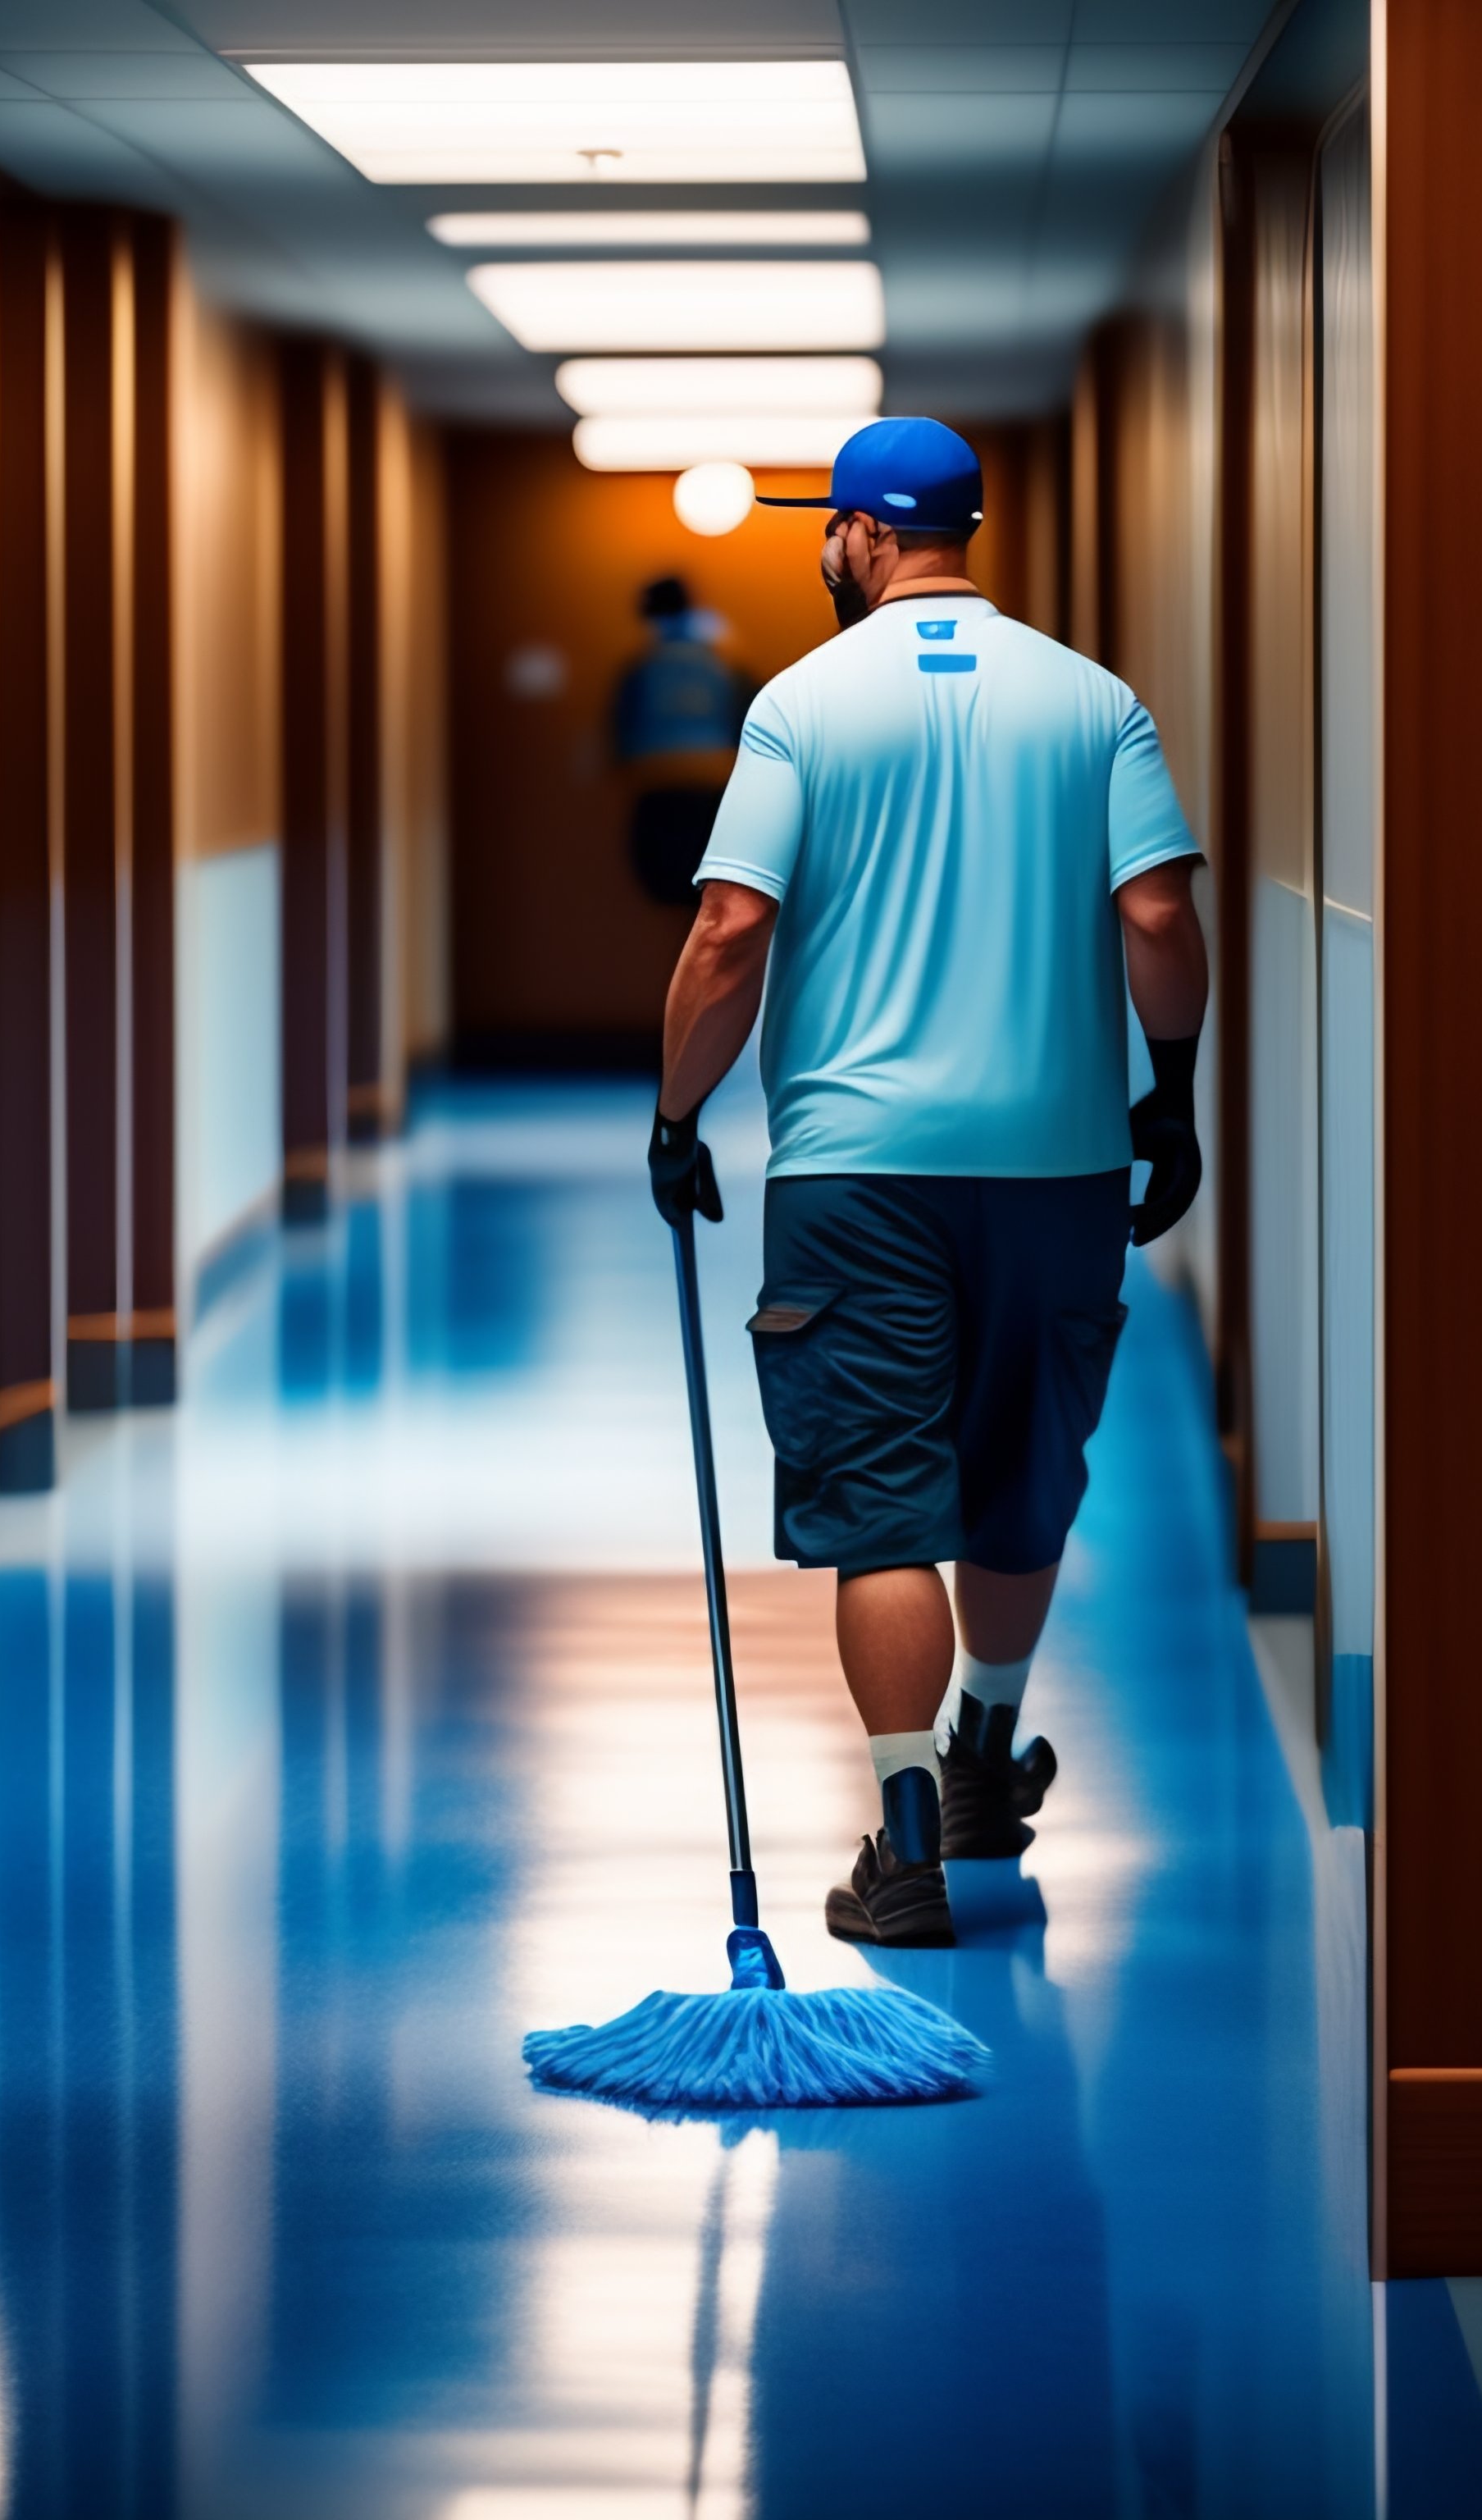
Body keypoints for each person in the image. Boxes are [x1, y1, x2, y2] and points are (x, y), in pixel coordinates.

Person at [647, 416, 1208, 1949]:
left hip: (855, 1175)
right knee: (1022, 1472)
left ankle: (905, 1850)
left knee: (882, 1505)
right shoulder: (1092, 701)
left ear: (864, 535)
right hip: (1058, 1160)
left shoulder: (800, 706)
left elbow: (728, 932)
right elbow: (1159, 917)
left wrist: (677, 1113)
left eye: (828, 524)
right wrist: (1170, 1094)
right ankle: (983, 1754)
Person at [613, 576, 751, 906]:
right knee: (704, 893)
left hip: (659, 792)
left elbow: (621, 737)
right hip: (712, 794)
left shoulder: (642, 669)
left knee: (670, 889)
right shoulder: (722, 662)